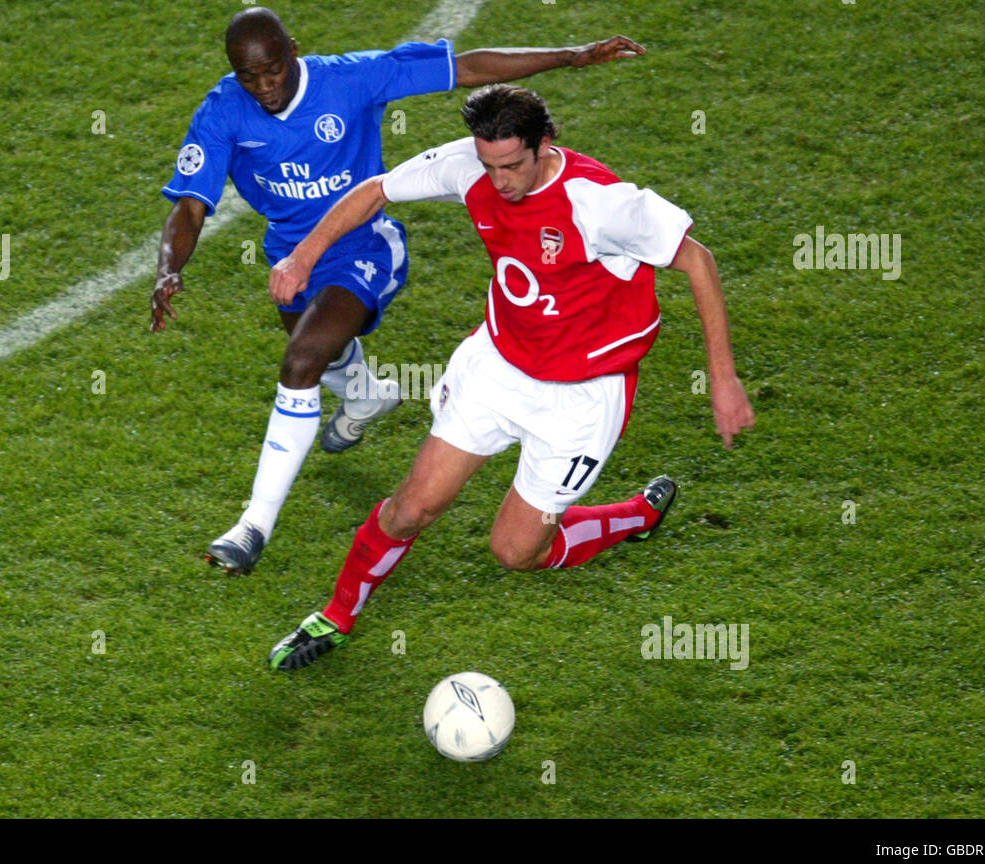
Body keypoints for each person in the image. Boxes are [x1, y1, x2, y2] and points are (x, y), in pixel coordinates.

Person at [266, 84, 755, 670]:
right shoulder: (471, 164)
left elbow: (697, 259)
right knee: (410, 510)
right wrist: (304, 256)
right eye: (488, 164)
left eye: (512, 165)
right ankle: (337, 615)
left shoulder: (598, 202)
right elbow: (375, 191)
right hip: (498, 367)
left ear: (545, 144)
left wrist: (722, 380)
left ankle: (635, 516)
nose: (499, 182)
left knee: (517, 551)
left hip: (582, 397)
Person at [152, 7, 647, 574]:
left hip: (363, 246)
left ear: (294, 49)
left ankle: (252, 526)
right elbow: (190, 205)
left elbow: (464, 69)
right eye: (250, 77)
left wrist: (572, 55)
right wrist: (169, 268)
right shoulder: (222, 110)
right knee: (325, 353)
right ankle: (366, 394)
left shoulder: (351, 78)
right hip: (290, 256)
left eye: (274, 71)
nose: (264, 87)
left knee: (302, 361)